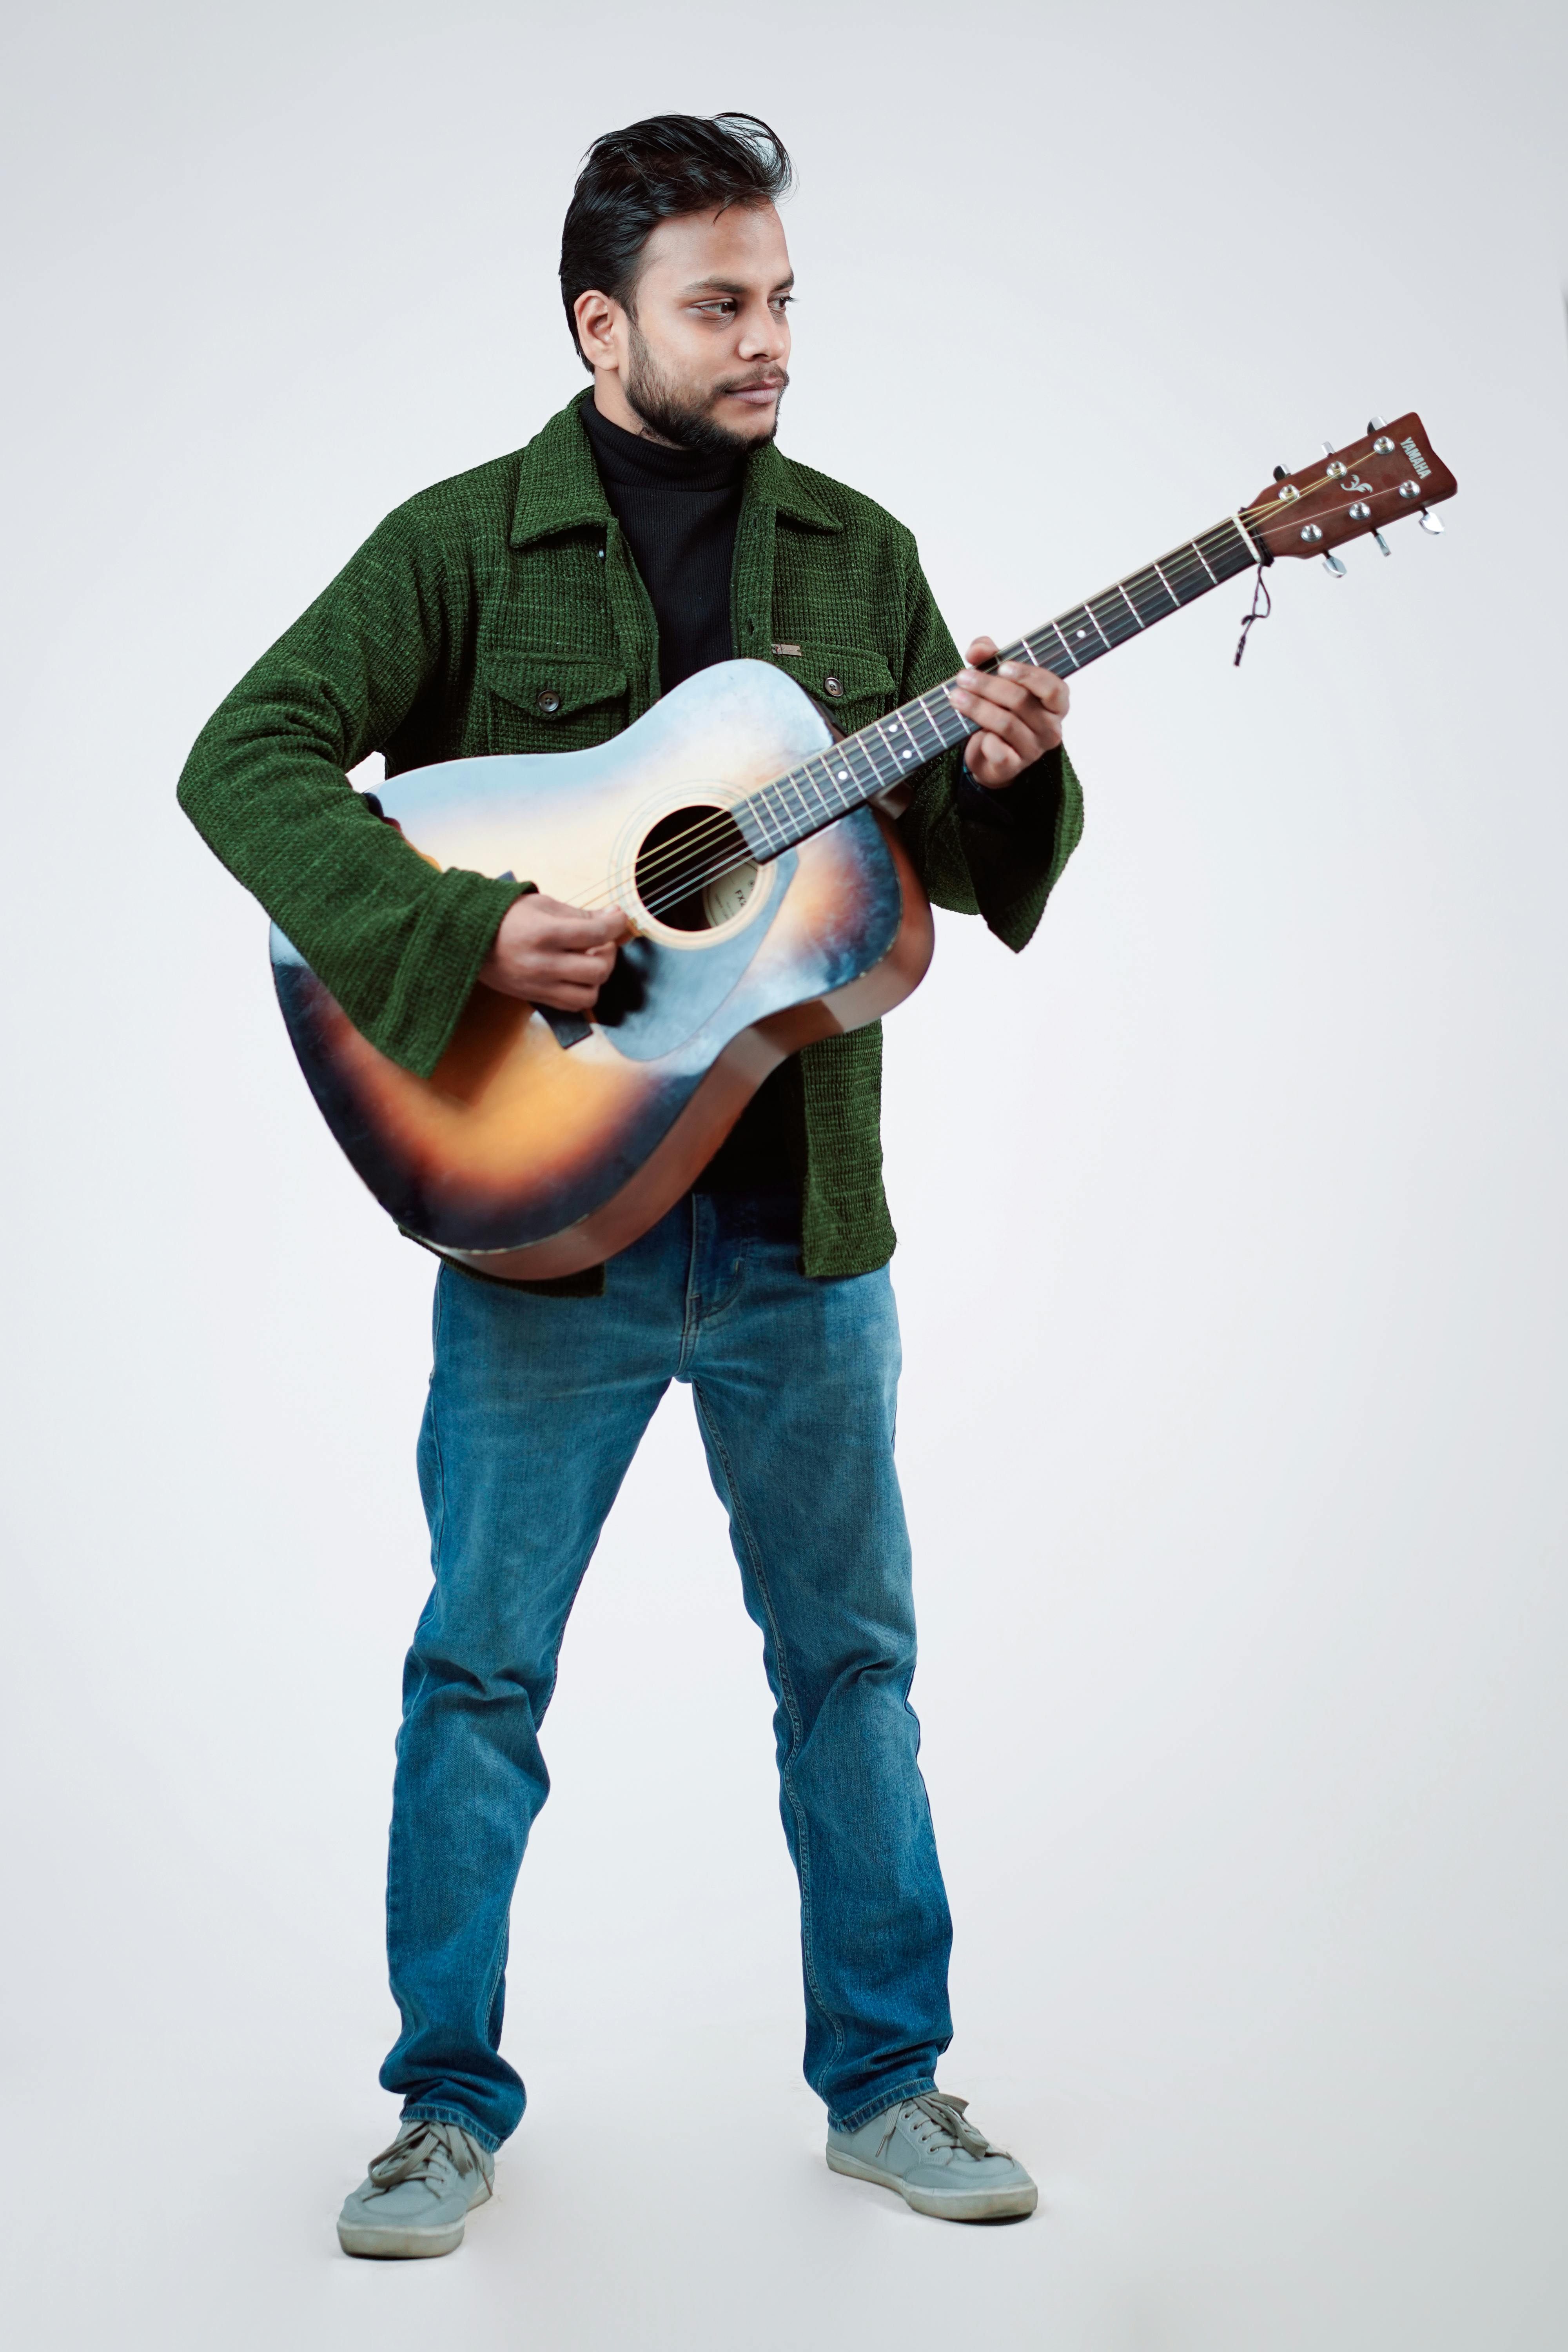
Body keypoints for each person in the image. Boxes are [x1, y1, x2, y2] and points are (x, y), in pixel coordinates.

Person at [178, 111, 1081, 2257]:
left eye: (781, 299)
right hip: (550, 1230)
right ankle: (441, 2108)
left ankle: (887, 2084)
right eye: (720, 307)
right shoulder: (465, 544)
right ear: (607, 326)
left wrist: (1007, 778)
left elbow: (925, 880)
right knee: (478, 1672)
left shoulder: (860, 560)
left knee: (852, 1669)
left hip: (799, 1233)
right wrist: (466, 928)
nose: (769, 341)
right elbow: (248, 759)